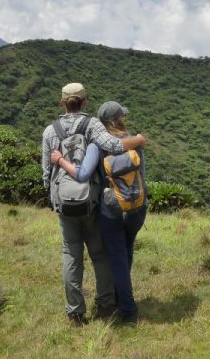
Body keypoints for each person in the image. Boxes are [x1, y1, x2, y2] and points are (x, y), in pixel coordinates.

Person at [41, 83, 146, 327]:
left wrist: (54, 198)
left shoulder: (49, 132)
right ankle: (106, 304)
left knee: (70, 254)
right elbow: (114, 146)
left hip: (64, 203)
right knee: (99, 254)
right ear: (85, 102)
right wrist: (139, 140)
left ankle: (75, 313)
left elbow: (46, 172)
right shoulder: (93, 125)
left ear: (62, 102)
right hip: (92, 201)